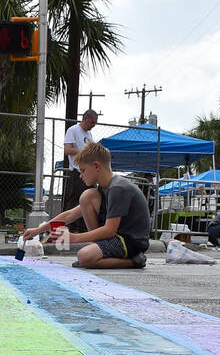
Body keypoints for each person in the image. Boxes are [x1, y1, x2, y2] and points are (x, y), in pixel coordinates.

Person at [21, 140, 150, 269]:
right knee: (87, 196)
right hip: (117, 237)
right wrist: (38, 230)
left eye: (83, 170)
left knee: (84, 257)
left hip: (130, 242)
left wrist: (73, 237)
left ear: (97, 166)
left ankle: (135, 261)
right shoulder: (103, 188)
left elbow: (110, 231)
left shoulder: (118, 188)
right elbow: (71, 214)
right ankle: (99, 253)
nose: (81, 176)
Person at [62, 109, 98, 220]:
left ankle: (83, 230)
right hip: (77, 172)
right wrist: (84, 152)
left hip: (89, 173)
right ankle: (68, 228)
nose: (93, 125)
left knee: (88, 202)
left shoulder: (89, 134)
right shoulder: (73, 130)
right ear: (85, 119)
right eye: (92, 122)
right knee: (74, 202)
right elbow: (67, 150)